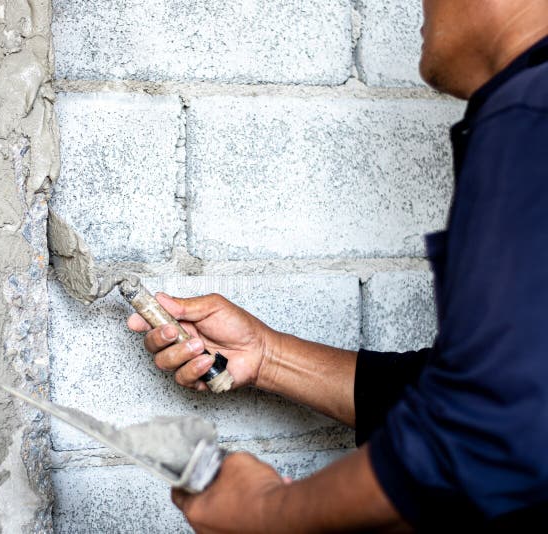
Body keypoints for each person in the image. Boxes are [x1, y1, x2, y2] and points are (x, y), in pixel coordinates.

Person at [127, 0, 548, 531]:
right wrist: (269, 355)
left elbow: (493, 433)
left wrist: (267, 514)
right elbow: (507, 390)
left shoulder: (529, 116)